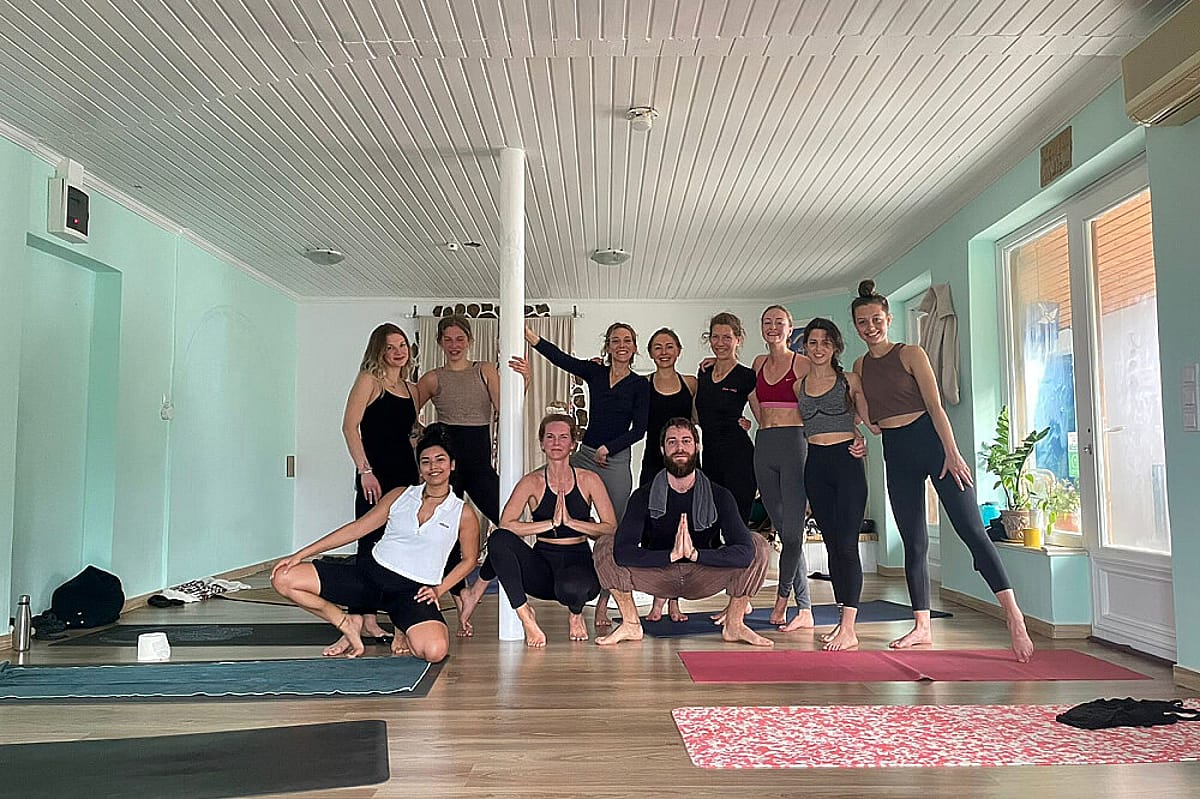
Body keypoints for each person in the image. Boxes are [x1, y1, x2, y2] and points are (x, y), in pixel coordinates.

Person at [851, 280, 1034, 662]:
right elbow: (872, 422)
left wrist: (952, 453)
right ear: (856, 326)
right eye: (862, 322)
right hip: (896, 452)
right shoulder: (860, 366)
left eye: (876, 319)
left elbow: (936, 407)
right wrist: (855, 408)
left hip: (933, 445)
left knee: (973, 532)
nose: (870, 327)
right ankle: (922, 625)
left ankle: (1013, 616)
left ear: (888, 319)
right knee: (914, 542)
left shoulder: (911, 353)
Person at [271, 424, 480, 661]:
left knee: (435, 652)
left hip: (412, 593)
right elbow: (357, 529)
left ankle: (402, 627)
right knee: (283, 577)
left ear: (452, 465)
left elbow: (469, 560)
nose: (433, 467)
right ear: (420, 469)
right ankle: (346, 622)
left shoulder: (462, 513)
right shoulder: (401, 495)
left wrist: (438, 590)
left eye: (440, 460)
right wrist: (300, 554)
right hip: (369, 576)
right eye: (426, 461)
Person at [592, 417, 773, 648]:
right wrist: (670, 556)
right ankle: (631, 623)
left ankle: (735, 624)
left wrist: (697, 555)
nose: (680, 448)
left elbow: (745, 551)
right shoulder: (643, 496)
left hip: (703, 574)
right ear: (662, 450)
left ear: (697, 447)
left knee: (758, 544)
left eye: (686, 441)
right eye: (672, 442)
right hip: (659, 574)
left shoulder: (720, 495)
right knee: (605, 545)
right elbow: (622, 551)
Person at [524, 322, 650, 629]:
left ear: (634, 347)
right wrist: (532, 338)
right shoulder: (595, 372)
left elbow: (640, 429)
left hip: (616, 461)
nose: (621, 345)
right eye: (615, 340)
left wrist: (610, 448)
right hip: (585, 455)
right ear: (607, 346)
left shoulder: (639, 384)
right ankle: (558, 562)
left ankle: (604, 604)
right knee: (549, 487)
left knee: (612, 535)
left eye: (627, 340)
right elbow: (562, 359)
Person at [457, 413, 617, 645]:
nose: (556, 442)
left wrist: (572, 523)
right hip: (542, 567)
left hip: (578, 564)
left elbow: (610, 527)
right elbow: (506, 524)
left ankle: (575, 614)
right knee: (499, 539)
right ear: (542, 443)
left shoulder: (589, 479)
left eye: (563, 437)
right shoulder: (531, 482)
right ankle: (526, 617)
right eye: (550, 437)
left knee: (573, 587)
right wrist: (550, 523)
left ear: (573, 444)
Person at [335, 323, 420, 650]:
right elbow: (349, 427)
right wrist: (365, 470)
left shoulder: (410, 388)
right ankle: (363, 617)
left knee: (400, 544)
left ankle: (396, 617)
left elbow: (408, 432)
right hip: (376, 474)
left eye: (402, 345)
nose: (398, 352)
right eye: (390, 347)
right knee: (369, 543)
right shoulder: (369, 380)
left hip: (406, 475)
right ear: (379, 351)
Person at [796, 318, 873, 650]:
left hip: (846, 463)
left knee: (846, 545)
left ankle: (849, 628)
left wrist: (862, 440)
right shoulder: (798, 386)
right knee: (831, 545)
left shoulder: (849, 380)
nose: (819, 348)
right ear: (805, 346)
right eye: (813, 342)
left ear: (835, 347)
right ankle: (842, 620)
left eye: (825, 342)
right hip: (815, 465)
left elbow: (868, 420)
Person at [750, 305, 816, 631]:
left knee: (793, 532)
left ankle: (785, 600)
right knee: (783, 529)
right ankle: (805, 609)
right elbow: (755, 400)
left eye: (779, 322)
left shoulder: (802, 363)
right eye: (767, 322)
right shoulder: (758, 363)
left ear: (790, 329)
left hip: (794, 444)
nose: (773, 327)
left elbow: (820, 402)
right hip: (764, 444)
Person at [641, 328, 698, 624]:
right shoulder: (643, 384)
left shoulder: (691, 383)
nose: (664, 352)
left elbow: (701, 418)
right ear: (650, 353)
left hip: (683, 465)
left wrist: (739, 421)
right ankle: (656, 599)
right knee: (655, 533)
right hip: (653, 464)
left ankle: (674, 602)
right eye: (658, 347)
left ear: (678, 350)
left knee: (682, 531)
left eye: (669, 346)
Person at [694, 313, 757, 521]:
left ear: (738, 339)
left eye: (727, 337)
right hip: (710, 459)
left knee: (737, 524)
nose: (720, 343)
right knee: (710, 523)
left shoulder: (746, 376)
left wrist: (748, 423)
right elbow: (698, 416)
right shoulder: (704, 372)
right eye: (715, 337)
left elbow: (764, 416)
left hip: (738, 458)